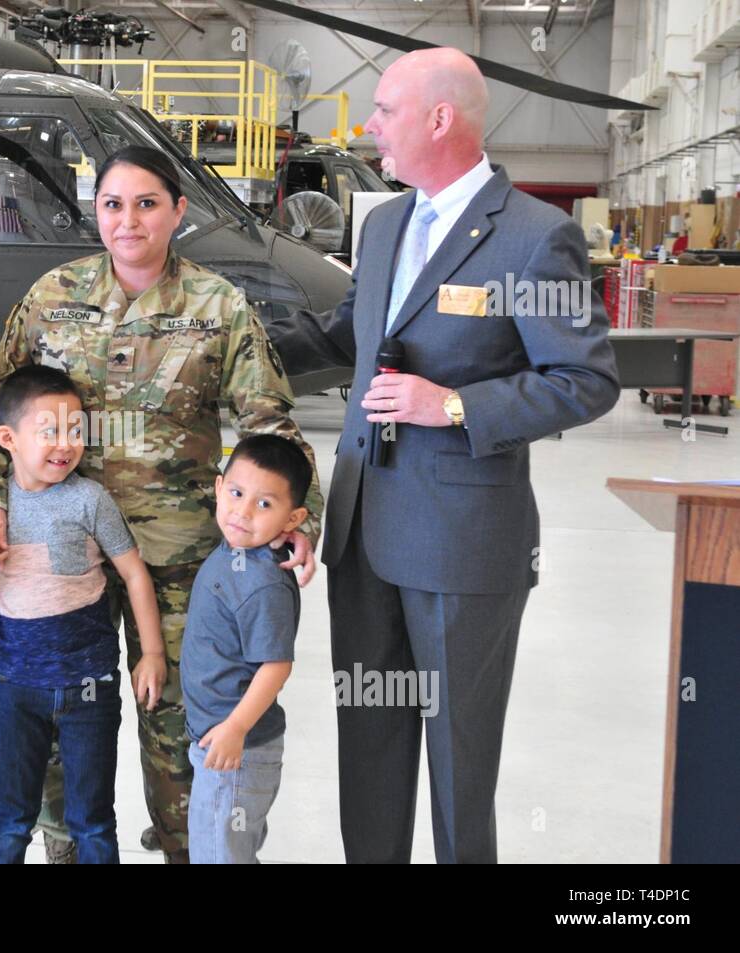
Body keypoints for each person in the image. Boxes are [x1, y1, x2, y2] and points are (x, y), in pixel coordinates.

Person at [266, 48, 620, 863]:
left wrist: (454, 405)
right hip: (364, 533)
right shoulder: (385, 223)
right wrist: (226, 351)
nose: (368, 126)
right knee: (372, 751)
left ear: (438, 119)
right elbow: (345, 334)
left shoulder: (538, 237)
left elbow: (586, 379)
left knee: (459, 763)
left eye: (383, 110)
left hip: (461, 546)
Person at [0, 145, 323, 864]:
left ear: (178, 212)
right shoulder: (53, 295)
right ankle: (67, 846)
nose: (128, 219)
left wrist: (296, 513)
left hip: (183, 558)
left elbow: (270, 422)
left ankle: (192, 842)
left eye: (147, 203)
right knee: (65, 719)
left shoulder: (218, 306)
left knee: (182, 717)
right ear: (97, 211)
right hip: (64, 560)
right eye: (113, 204)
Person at [0, 366, 167, 863]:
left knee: (93, 821)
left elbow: (133, 575)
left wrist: (149, 653)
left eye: (76, 431)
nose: (66, 444)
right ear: (8, 438)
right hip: (17, 690)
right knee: (13, 813)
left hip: (91, 690)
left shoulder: (90, 499)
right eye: (50, 431)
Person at [181, 434, 310, 864]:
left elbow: (275, 666)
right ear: (219, 488)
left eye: (264, 505)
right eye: (236, 493)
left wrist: (235, 728)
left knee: (221, 856)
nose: (243, 512)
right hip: (219, 741)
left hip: (239, 751)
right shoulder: (236, 547)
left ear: (293, 518)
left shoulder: (262, 584)